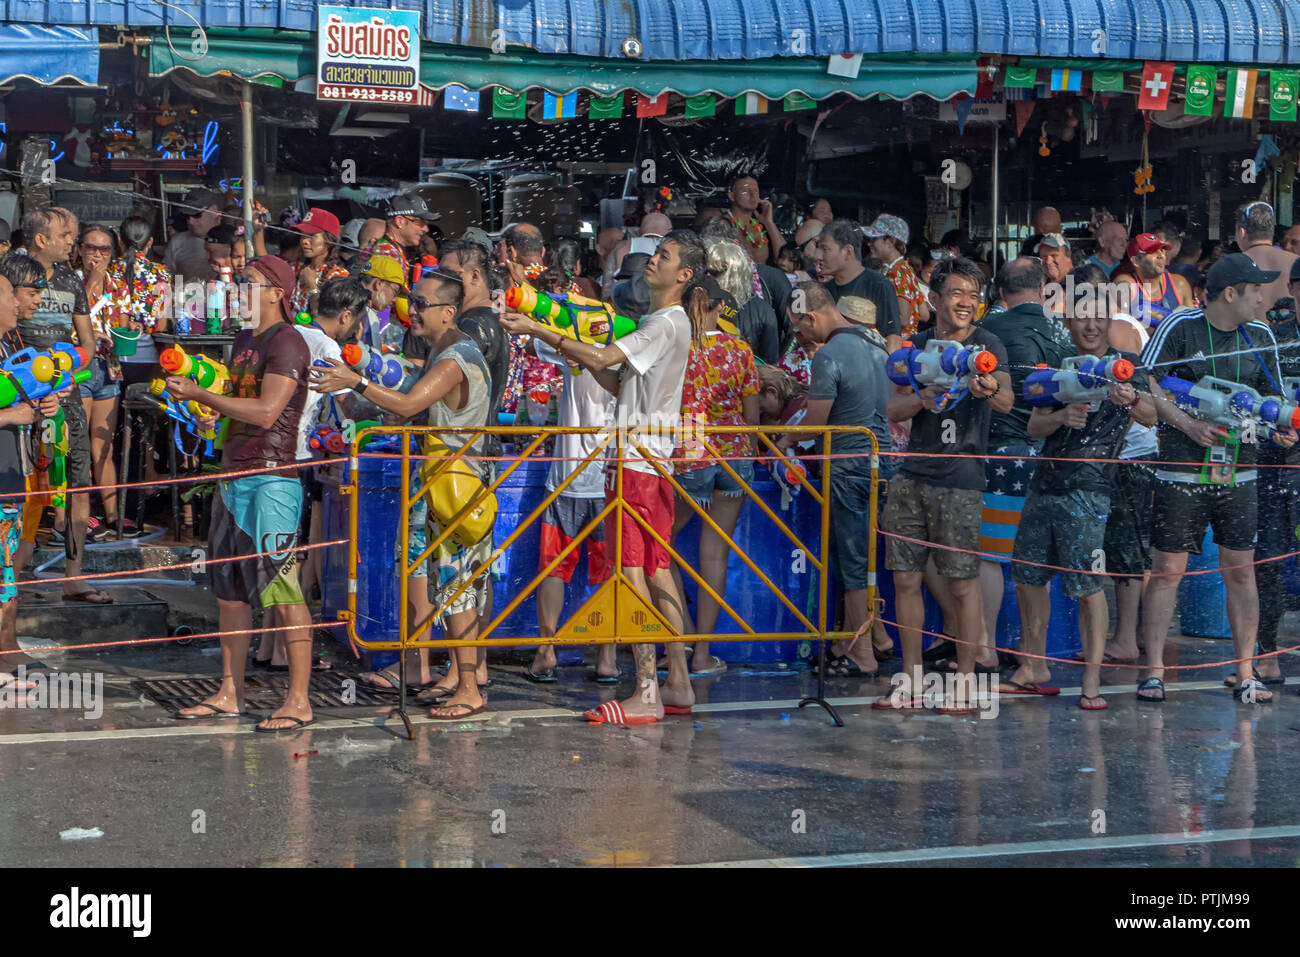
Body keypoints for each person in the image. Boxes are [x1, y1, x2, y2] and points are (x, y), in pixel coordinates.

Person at [500, 230, 705, 724]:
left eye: (663, 256)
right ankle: (677, 681)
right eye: (655, 254)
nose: (653, 261)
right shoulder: (666, 322)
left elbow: (605, 359)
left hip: (635, 464)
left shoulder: (663, 324)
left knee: (632, 575)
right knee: (657, 571)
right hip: (645, 461)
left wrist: (543, 330)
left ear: (684, 275)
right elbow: (616, 378)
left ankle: (647, 691)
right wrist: (577, 351)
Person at [315, 268, 495, 720]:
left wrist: (355, 383)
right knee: (441, 584)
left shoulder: (457, 357)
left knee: (458, 589)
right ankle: (452, 676)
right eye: (412, 302)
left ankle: (470, 687)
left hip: (457, 487)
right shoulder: (439, 353)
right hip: (434, 483)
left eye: (421, 304)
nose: (411, 310)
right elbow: (406, 408)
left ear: (448, 312)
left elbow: (411, 405)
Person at [1138, 254, 1292, 705]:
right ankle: (1153, 672)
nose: (1264, 297)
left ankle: (1246, 674)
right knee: (1168, 571)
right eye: (1255, 289)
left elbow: (1273, 398)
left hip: (1239, 470)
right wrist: (1188, 425)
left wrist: (1276, 430)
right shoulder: (1180, 325)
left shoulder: (1260, 333)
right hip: (1180, 468)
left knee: (1241, 571)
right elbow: (1148, 383)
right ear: (1231, 293)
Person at [172, 255, 314, 730]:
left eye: (250, 284)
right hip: (233, 475)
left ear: (277, 292)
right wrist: (212, 415)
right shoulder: (243, 340)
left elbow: (269, 411)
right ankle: (229, 691)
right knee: (230, 593)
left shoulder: (288, 341)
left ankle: (298, 700)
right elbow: (239, 404)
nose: (240, 292)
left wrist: (203, 396)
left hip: (272, 477)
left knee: (281, 588)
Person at [1009, 278, 1156, 709]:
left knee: (1089, 586)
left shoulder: (1127, 366)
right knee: (1028, 577)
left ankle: (1092, 680)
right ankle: (1034, 666)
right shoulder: (1056, 365)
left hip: (1090, 493)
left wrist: (1128, 397)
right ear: (1068, 319)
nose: (1090, 325)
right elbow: (1035, 425)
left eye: (1098, 317)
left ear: (1110, 320)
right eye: (1082, 316)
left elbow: (1149, 416)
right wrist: (1062, 417)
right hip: (1045, 484)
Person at [877, 259, 1012, 712]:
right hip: (913, 475)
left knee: (962, 583)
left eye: (973, 295)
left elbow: (1009, 399)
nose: (966, 303)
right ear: (934, 299)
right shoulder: (914, 345)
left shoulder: (988, 343)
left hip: (962, 478)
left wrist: (987, 387)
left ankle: (967, 681)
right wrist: (920, 398)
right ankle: (912, 680)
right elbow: (891, 410)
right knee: (906, 580)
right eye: (957, 293)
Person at [777, 282, 892, 677]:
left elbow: (814, 426)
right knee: (861, 557)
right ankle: (863, 638)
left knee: (853, 560)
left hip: (847, 467)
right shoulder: (877, 346)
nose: (798, 337)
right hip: (881, 463)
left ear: (811, 317)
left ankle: (861, 650)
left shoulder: (829, 356)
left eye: (797, 328)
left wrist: (782, 438)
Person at [972, 258, 1073, 673]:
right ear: (1042, 287)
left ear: (1000, 293)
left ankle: (986, 647)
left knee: (989, 555)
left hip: (1001, 453)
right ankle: (1033, 651)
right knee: (1033, 558)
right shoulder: (1062, 331)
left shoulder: (989, 331)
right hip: (1048, 453)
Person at [519, 282, 620, 684]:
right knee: (611, 573)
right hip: (610, 479)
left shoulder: (571, 343)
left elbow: (529, 344)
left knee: (554, 570)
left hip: (567, 478)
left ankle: (546, 654)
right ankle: (607, 659)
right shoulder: (630, 343)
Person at [667, 275, 760, 676]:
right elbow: (751, 414)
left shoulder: (678, 347)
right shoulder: (739, 350)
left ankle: (680, 635)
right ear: (719, 307)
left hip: (690, 451)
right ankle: (702, 653)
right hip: (736, 453)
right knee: (715, 554)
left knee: (659, 546)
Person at [15, 208, 108, 603]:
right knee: (23, 483)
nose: (73, 241)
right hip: (17, 393)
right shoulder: (11, 272)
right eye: (65, 235)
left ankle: (73, 576)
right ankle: (14, 574)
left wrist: (70, 369)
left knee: (77, 478)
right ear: (41, 239)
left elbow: (86, 340)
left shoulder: (71, 278)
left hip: (65, 393)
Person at [0, 266, 60, 685]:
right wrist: (13, 414)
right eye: (10, 295)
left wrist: (40, 408)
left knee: (7, 570)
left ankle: (6, 649)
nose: (19, 302)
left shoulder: (8, 343)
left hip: (11, 474)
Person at [1246, 256, 1300, 687]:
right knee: (1267, 559)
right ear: (1294, 291)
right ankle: (1266, 653)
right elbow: (1253, 397)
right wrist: (1271, 429)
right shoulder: (1274, 340)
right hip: (1272, 462)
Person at [75, 224, 123, 538]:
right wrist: (91, 281)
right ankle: (81, 515)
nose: (97, 255)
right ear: (79, 249)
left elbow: (126, 322)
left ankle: (113, 515)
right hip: (79, 366)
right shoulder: (70, 282)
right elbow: (69, 325)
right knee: (78, 446)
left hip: (109, 366)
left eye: (104, 249)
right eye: (91, 248)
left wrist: (119, 336)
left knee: (103, 444)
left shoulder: (118, 286)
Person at [814, 219, 901, 348]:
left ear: (848, 251)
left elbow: (892, 337)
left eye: (825, 249)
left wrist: (886, 367)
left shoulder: (878, 285)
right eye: (818, 249)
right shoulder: (822, 292)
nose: (818, 256)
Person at [706, 240, 779, 365]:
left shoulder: (760, 310)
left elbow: (771, 362)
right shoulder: (696, 304)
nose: (707, 277)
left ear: (733, 275)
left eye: (714, 272)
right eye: (705, 271)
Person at [864, 214, 926, 338]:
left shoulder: (897, 273)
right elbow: (924, 314)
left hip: (897, 343)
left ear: (890, 241)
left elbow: (903, 320)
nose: (869, 244)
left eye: (874, 239)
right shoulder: (906, 269)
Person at [1235, 201, 1297, 321]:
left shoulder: (1230, 266)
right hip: (1292, 338)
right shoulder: (1296, 263)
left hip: (1247, 339)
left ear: (1242, 233)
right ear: (1271, 232)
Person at [1118, 233, 1191, 328]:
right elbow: (1125, 328)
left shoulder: (1179, 284)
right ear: (1136, 261)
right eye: (1152, 251)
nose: (1160, 255)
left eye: (1162, 250)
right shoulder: (1125, 284)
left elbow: (1193, 327)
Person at [290, 207, 349, 315]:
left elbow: (326, 316)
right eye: (303, 235)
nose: (304, 241)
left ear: (329, 241)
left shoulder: (338, 276)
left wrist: (312, 285)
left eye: (311, 235)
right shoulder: (295, 268)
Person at [165, 188, 223, 282]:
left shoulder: (230, 240)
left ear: (214, 210)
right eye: (186, 216)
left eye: (196, 215)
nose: (190, 221)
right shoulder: (177, 242)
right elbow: (167, 277)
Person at [372, 193, 439, 274]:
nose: (426, 229)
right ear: (400, 221)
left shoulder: (389, 251)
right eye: (420, 222)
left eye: (426, 223)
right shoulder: (388, 256)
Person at [728, 174, 784, 267]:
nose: (753, 195)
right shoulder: (722, 222)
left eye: (755, 191)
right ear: (732, 196)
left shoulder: (761, 226)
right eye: (745, 191)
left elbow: (785, 259)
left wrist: (769, 223)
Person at [357, 254, 408, 352]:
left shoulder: (367, 311)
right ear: (379, 284)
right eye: (395, 291)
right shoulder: (354, 309)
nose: (395, 299)